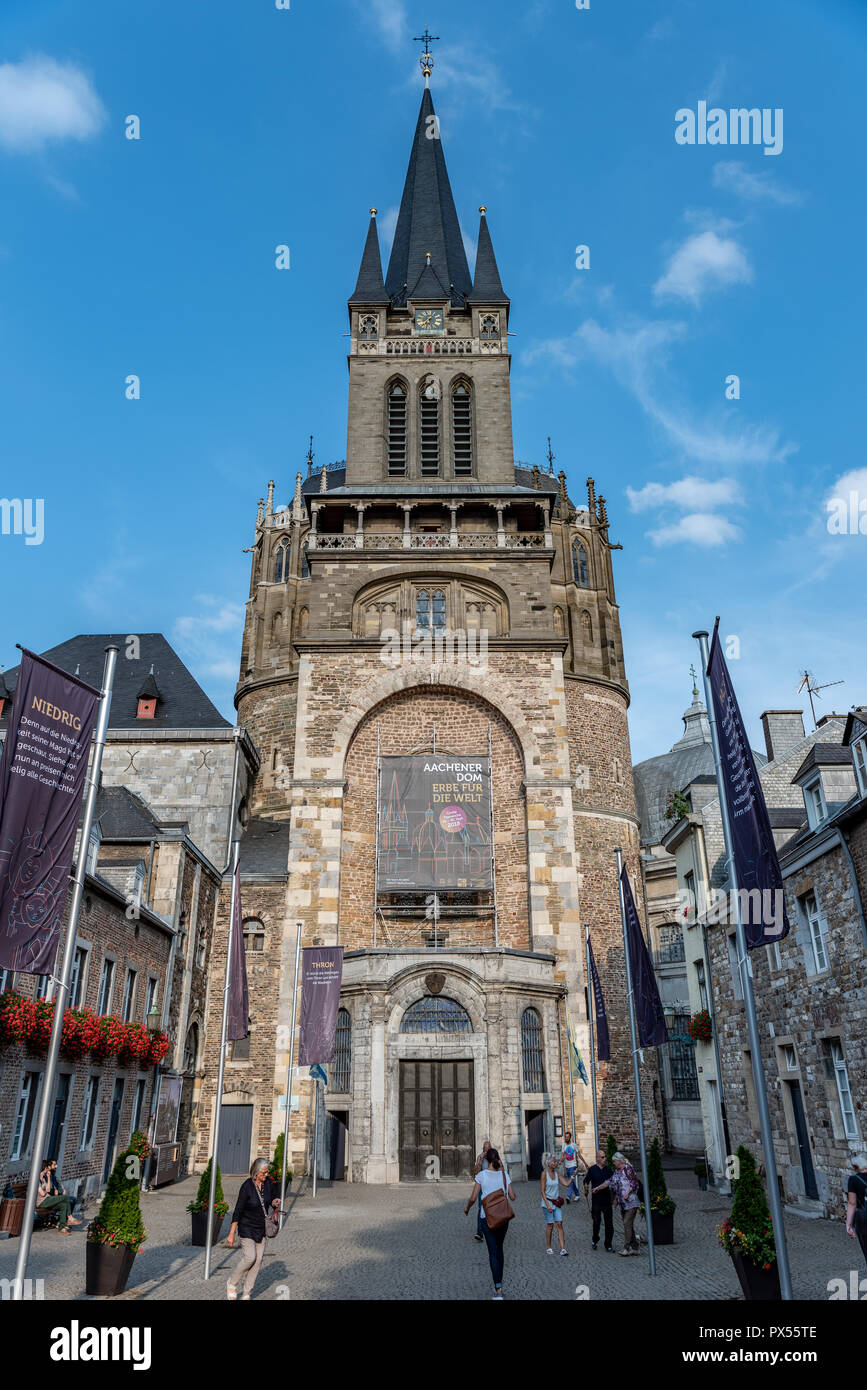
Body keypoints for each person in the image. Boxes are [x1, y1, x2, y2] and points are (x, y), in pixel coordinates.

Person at [464, 1147, 516, 1299]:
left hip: (487, 1218)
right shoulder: (505, 1175)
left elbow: (474, 1197)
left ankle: (498, 1289)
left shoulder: (482, 1176)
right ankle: (499, 1283)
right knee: (499, 1250)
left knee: (493, 1252)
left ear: (487, 1161)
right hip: (503, 1218)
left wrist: (467, 1208)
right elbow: (512, 1197)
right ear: (498, 1160)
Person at [226, 1157, 280, 1300]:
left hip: (261, 1227)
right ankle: (232, 1283)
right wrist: (231, 1233)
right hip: (247, 1227)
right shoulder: (247, 1187)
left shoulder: (268, 1183)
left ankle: (246, 1293)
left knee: (258, 1260)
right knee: (250, 1257)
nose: (266, 1175)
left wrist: (275, 1202)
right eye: (263, 1173)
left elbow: (272, 1198)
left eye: (267, 1172)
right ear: (256, 1173)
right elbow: (237, 1211)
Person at [35, 1159, 81, 1233]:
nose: (48, 1170)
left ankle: (62, 1227)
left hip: (47, 1200)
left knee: (63, 1205)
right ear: (44, 1168)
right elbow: (42, 1194)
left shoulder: (44, 1178)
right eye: (47, 1168)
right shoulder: (36, 1179)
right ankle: (70, 1217)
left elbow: (48, 1190)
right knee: (65, 1197)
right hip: (41, 1202)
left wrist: (49, 1178)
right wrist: (47, 1193)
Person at [610, 1151, 641, 1256]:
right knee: (629, 1225)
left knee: (626, 1223)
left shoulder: (628, 1169)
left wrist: (628, 1192)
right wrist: (615, 1198)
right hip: (622, 1203)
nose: (613, 1163)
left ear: (619, 1161)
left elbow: (634, 1182)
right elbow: (613, 1184)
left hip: (631, 1202)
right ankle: (635, 1247)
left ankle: (626, 1248)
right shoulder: (617, 1171)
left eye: (614, 1161)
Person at [583, 1148, 615, 1251]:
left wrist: (614, 1198)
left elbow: (613, 1184)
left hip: (606, 1201)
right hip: (596, 1201)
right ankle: (595, 1239)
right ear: (597, 1159)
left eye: (605, 1157)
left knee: (609, 1224)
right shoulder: (592, 1169)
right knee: (596, 1222)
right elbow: (586, 1180)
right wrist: (586, 1186)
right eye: (602, 1157)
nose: (605, 1159)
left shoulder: (608, 1170)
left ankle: (608, 1244)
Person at [540, 1153, 570, 1256]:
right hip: (547, 1203)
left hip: (556, 1203)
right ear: (548, 1163)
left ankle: (563, 1249)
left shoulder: (557, 1173)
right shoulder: (544, 1174)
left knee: (559, 1224)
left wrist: (573, 1177)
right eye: (554, 1161)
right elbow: (542, 1191)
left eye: (555, 1161)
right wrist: (547, 1205)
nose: (555, 1163)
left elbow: (566, 1184)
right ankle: (548, 1247)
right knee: (550, 1225)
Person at [846, 1154, 867, 1267]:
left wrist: (848, 1224)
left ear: (855, 1167)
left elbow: (852, 1203)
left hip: (863, 1216)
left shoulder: (853, 1180)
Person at [473, 1138, 492, 1241]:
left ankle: (491, 1228)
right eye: (484, 1149)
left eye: (488, 1149)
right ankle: (479, 1232)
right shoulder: (480, 1157)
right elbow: (476, 1172)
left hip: (492, 1186)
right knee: (481, 1208)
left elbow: (499, 1170)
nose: (486, 1152)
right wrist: (480, 1160)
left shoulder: (494, 1158)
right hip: (482, 1186)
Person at [559, 1132, 587, 1203]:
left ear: (570, 1137)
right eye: (565, 1137)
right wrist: (560, 1161)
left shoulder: (574, 1145)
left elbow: (579, 1155)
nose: (566, 1138)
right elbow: (562, 1155)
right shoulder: (563, 1145)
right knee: (571, 1181)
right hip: (567, 1166)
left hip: (573, 1165)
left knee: (570, 1181)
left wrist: (585, 1163)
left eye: (567, 1137)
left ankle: (568, 1196)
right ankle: (577, 1194)